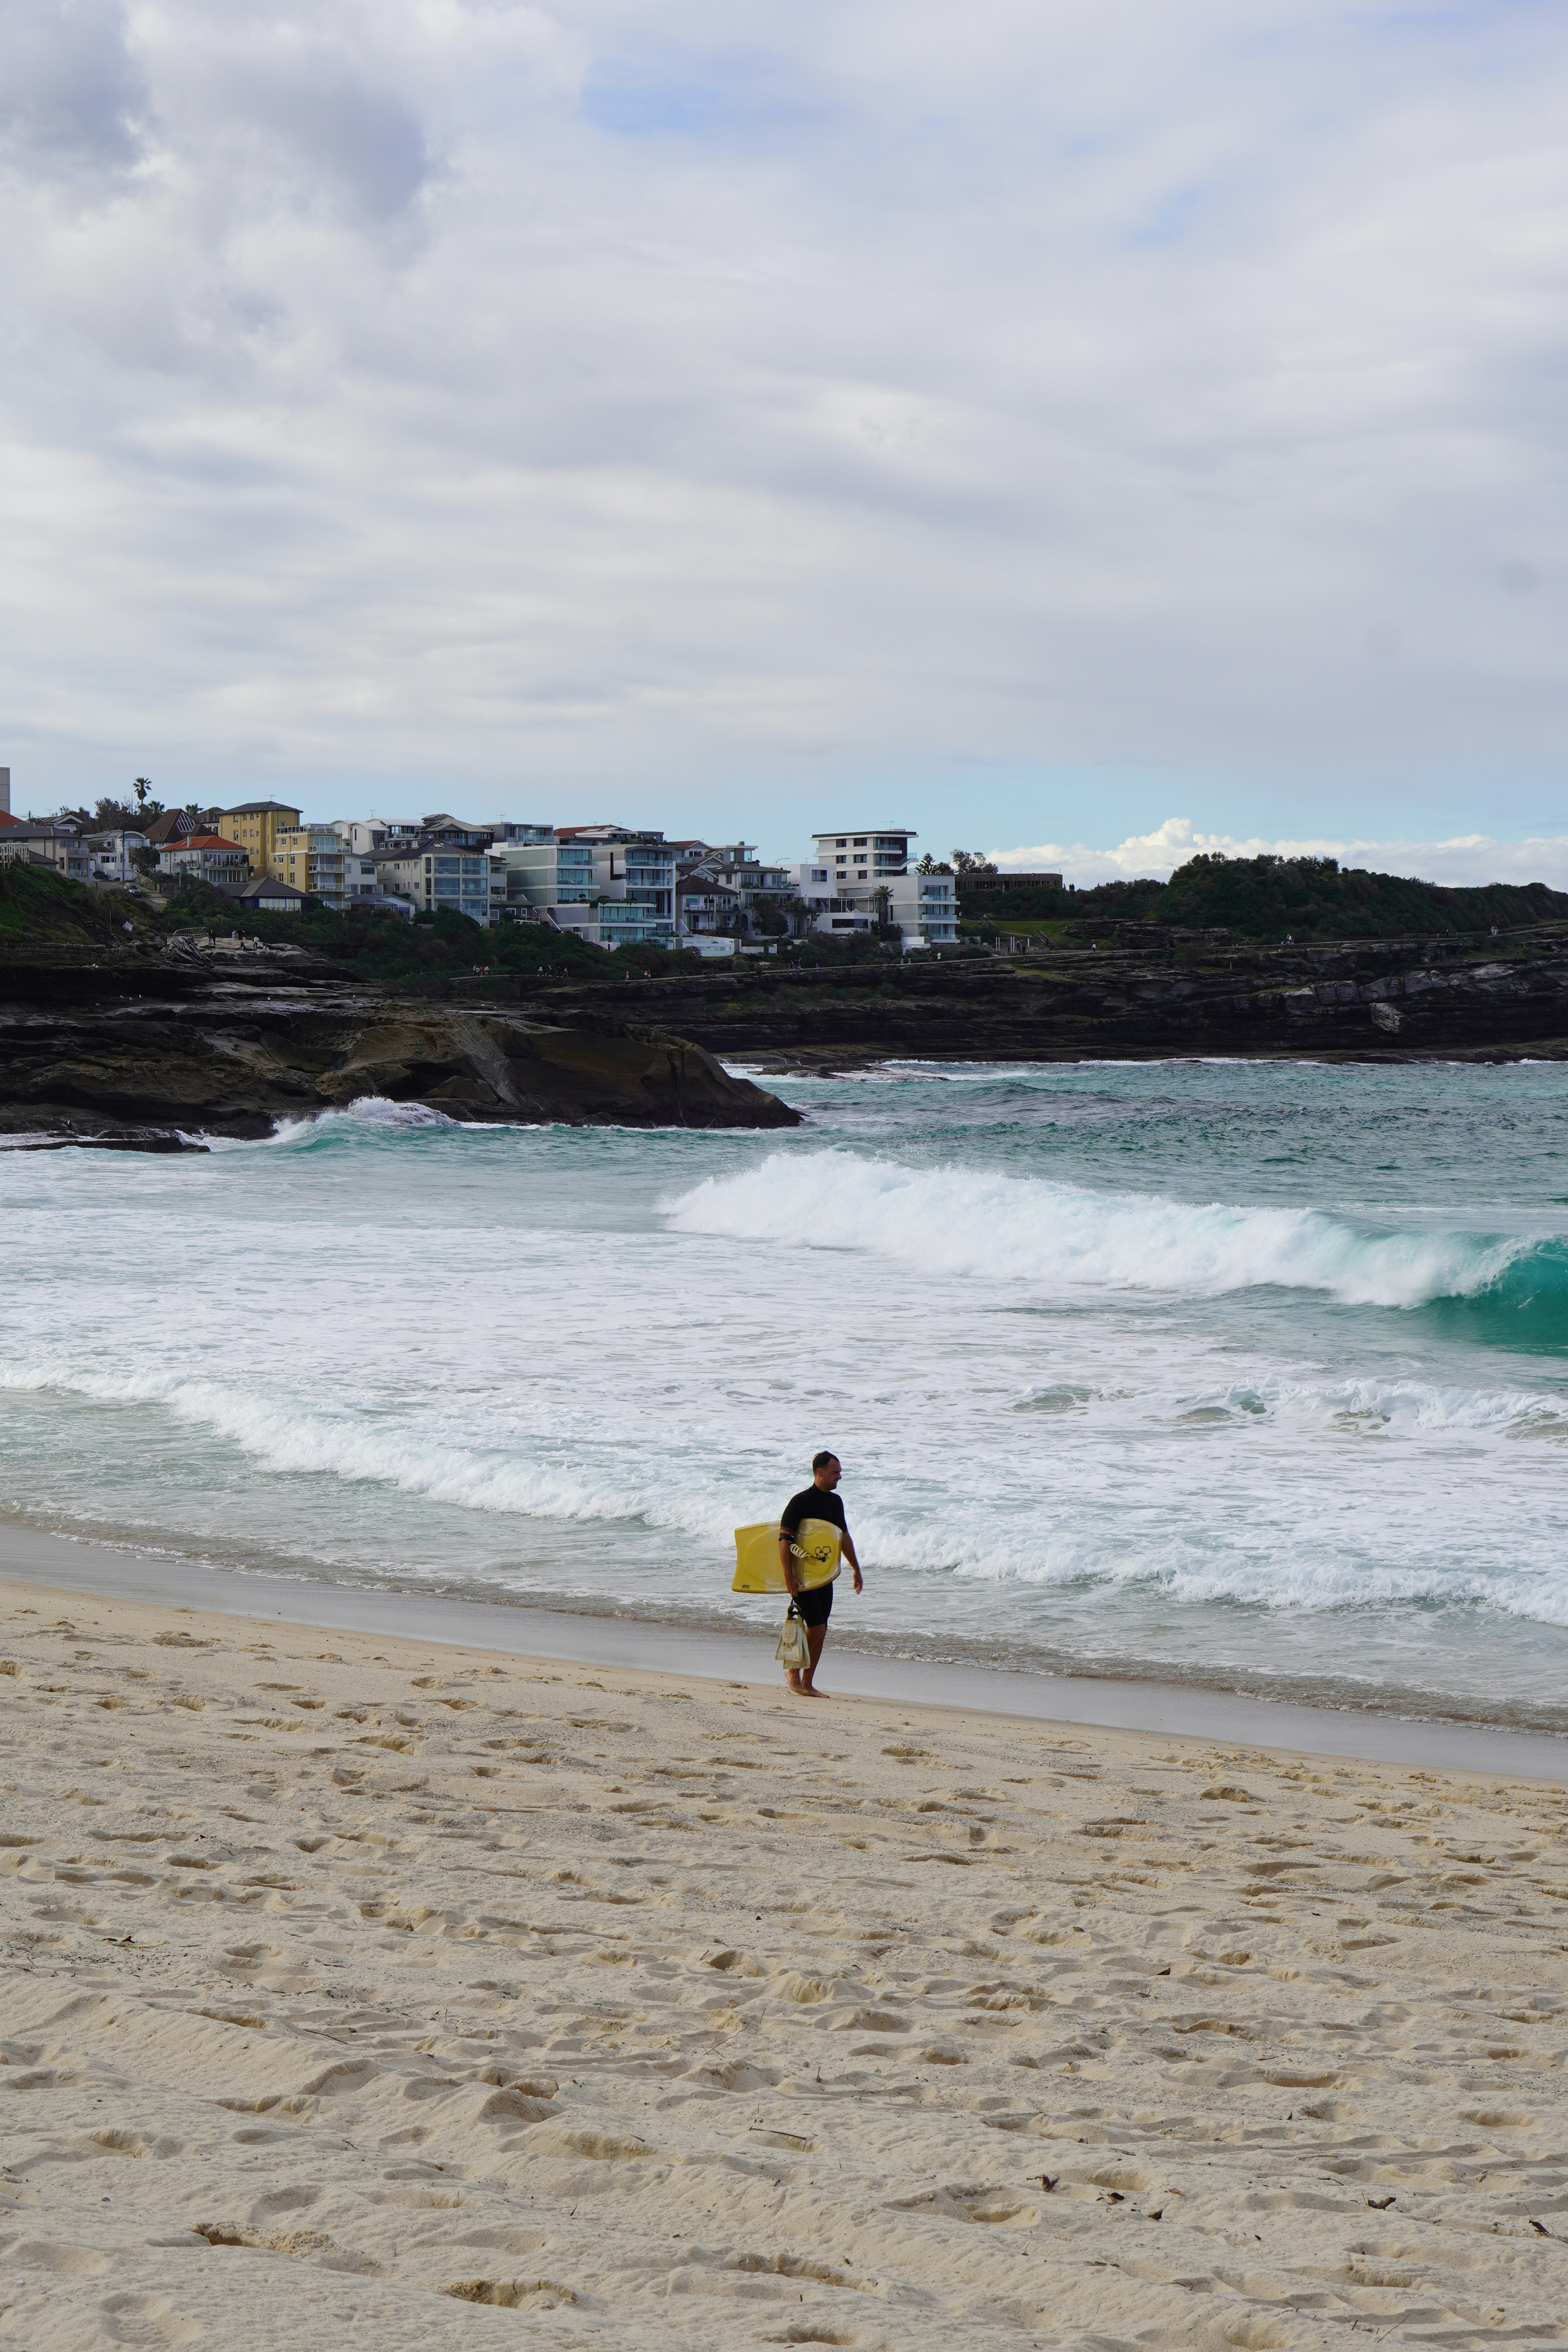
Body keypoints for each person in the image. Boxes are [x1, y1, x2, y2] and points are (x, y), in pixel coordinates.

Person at [778, 1451, 863, 1697]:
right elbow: (784, 1539)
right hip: (802, 1575)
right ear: (820, 1472)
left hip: (825, 1575)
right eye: (836, 1472)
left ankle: (808, 1683)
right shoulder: (800, 1502)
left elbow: (843, 1537)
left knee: (822, 1628)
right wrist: (788, 1575)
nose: (840, 1477)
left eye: (840, 1472)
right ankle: (792, 1668)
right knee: (816, 1627)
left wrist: (856, 1568)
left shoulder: (836, 1502)